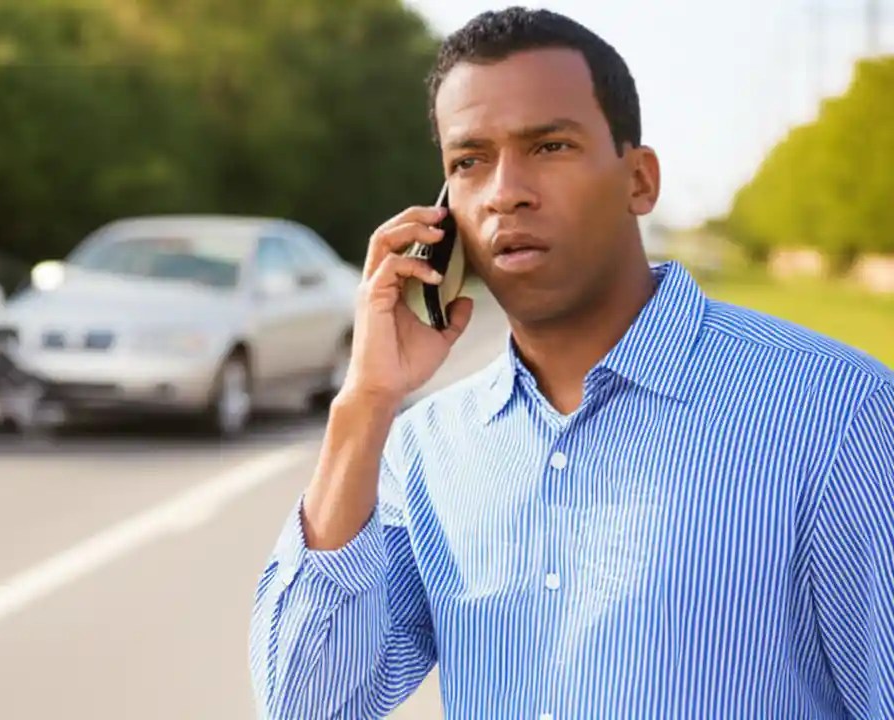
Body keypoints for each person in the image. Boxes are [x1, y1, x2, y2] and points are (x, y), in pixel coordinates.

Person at [248, 7, 894, 719]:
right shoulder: (426, 449)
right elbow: (306, 704)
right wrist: (366, 401)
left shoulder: (841, 415)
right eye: (469, 162)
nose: (504, 191)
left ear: (639, 181)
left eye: (549, 147)